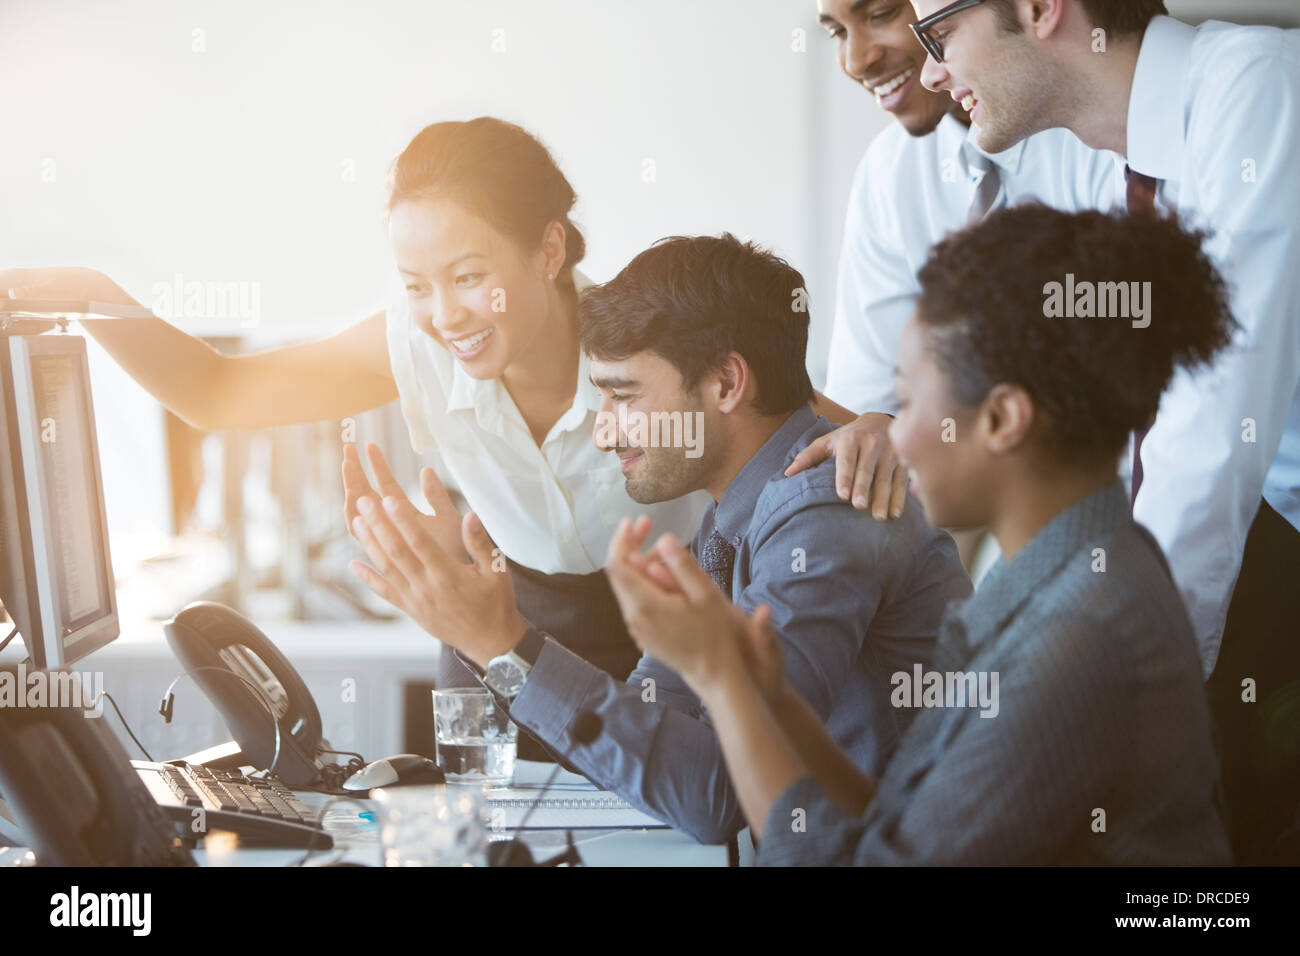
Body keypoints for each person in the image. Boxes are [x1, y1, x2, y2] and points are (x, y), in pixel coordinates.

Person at [0, 117, 884, 731]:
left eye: (467, 275)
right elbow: (219, 395)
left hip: (673, 637)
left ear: (547, 250)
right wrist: (98, 299)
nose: (443, 315)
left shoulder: (647, 344)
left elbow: (795, 422)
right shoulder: (414, 349)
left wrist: (878, 430)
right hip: (509, 632)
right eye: (416, 284)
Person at [605, 205, 1234, 865]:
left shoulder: (1080, 631)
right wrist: (770, 701)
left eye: (905, 405)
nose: (884, 436)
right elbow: (892, 825)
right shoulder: (1054, 579)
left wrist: (722, 679)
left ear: (1000, 420)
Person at [345, 233, 972, 844]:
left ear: (726, 383)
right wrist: (494, 643)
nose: (604, 433)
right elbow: (659, 717)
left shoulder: (825, 511)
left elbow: (721, 794)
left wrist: (506, 647)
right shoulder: (729, 524)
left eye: (623, 396)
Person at [907, 0, 1300, 864]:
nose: (929, 72)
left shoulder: (1258, 89)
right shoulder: (1084, 162)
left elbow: (1212, 431)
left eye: (936, 34)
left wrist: (1112, 675)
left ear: (1042, 9)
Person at [787, 0, 1120, 570]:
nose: (855, 58)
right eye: (838, 32)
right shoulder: (891, 174)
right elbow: (868, 409)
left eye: (884, 13)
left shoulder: (1100, 138)